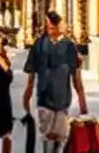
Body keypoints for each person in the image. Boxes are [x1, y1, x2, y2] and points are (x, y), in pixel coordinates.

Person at [23, 11, 88, 153]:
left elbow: (77, 79)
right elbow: (31, 77)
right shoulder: (39, 45)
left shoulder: (69, 46)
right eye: (48, 25)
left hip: (63, 103)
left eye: (53, 25)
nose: (50, 28)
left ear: (59, 26)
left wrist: (83, 106)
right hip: (44, 102)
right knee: (48, 140)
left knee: (60, 140)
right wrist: (26, 103)